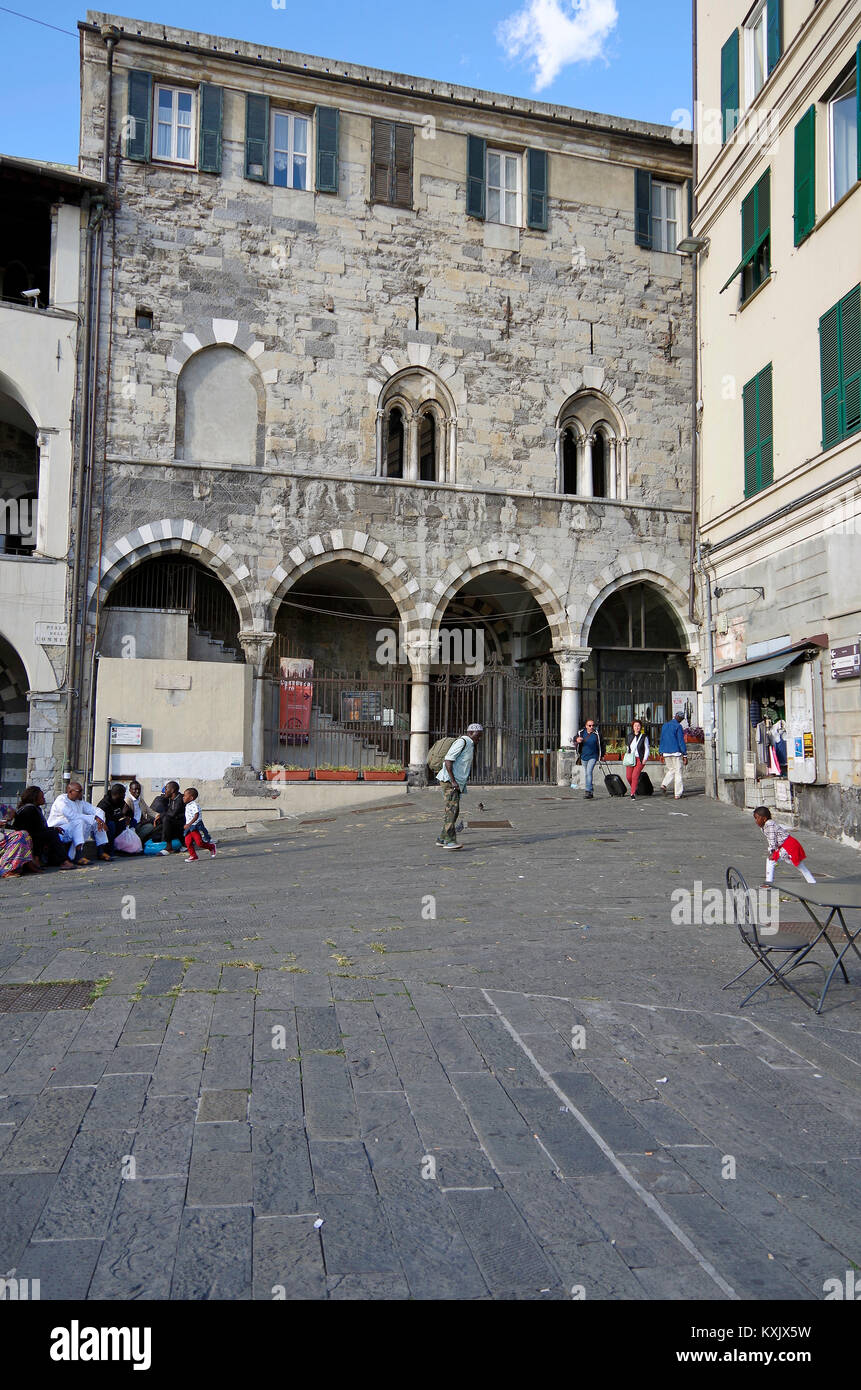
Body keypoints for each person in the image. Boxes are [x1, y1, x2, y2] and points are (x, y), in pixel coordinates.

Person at [435, 723, 483, 850]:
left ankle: (442, 838)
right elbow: (448, 761)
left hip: (456, 782)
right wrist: (453, 781)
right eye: (478, 735)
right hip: (450, 782)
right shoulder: (462, 742)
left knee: (453, 811)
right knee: (452, 811)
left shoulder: (470, 744)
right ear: (470, 733)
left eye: (480, 735)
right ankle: (450, 841)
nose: (479, 738)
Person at [46, 782, 111, 864]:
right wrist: (94, 817)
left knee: (95, 822)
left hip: (75, 827)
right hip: (60, 829)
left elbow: (97, 810)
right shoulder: (61, 801)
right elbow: (72, 816)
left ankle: (101, 851)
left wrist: (100, 820)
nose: (81, 793)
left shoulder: (79, 802)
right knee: (80, 822)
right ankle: (78, 855)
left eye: (82, 791)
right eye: (79, 791)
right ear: (70, 792)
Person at [753, 807, 816, 886]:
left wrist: (772, 852)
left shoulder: (769, 824)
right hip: (789, 844)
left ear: (764, 818)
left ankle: (768, 883)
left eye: (757, 818)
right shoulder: (765, 826)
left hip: (788, 845)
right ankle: (813, 883)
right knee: (799, 865)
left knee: (771, 861)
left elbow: (772, 838)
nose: (756, 821)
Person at [13, 787, 71, 868]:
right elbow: (34, 829)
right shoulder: (29, 810)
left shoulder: (36, 809)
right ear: (35, 798)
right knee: (51, 834)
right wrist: (52, 830)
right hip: (27, 837)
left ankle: (56, 860)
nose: (44, 799)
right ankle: (64, 861)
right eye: (42, 797)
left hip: (34, 834)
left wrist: (53, 828)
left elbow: (39, 828)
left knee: (55, 834)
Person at [181, 787, 217, 862]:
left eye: (185, 795)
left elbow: (196, 815)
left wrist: (189, 824)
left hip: (195, 826)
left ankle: (211, 847)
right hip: (189, 827)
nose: (183, 797)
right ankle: (193, 856)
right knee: (188, 842)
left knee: (199, 842)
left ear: (191, 798)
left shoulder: (194, 804)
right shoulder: (187, 805)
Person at [659, 712, 688, 799]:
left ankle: (664, 784)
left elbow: (662, 739)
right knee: (678, 772)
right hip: (675, 752)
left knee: (671, 769)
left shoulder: (665, 725)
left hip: (666, 752)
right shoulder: (678, 726)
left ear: (674, 716)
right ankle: (678, 793)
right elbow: (680, 741)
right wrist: (685, 754)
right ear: (680, 719)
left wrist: (661, 752)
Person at [573, 718, 604, 799]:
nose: (591, 727)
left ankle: (588, 791)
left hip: (593, 756)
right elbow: (574, 738)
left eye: (593, 725)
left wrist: (602, 755)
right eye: (589, 725)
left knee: (588, 772)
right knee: (586, 773)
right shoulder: (581, 733)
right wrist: (577, 739)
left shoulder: (597, 734)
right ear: (586, 726)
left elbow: (602, 744)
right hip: (583, 756)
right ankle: (590, 790)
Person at [151, 781, 185, 854]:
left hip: (181, 825)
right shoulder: (171, 799)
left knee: (167, 819)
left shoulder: (180, 799)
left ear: (172, 790)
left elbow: (172, 814)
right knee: (156, 832)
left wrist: (161, 816)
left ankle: (169, 847)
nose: (165, 791)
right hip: (175, 824)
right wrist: (159, 817)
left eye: (166, 789)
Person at [97, 783, 131, 849]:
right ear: (117, 794)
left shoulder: (120, 801)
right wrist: (122, 814)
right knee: (111, 824)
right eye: (123, 793)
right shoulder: (104, 804)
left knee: (133, 821)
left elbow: (129, 812)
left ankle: (125, 846)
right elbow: (109, 818)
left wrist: (128, 816)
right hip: (104, 825)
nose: (124, 795)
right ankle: (109, 850)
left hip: (115, 821)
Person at [624, 719, 649, 798]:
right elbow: (628, 748)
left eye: (638, 726)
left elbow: (647, 749)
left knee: (635, 776)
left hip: (640, 759)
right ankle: (634, 788)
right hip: (631, 758)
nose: (637, 727)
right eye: (635, 726)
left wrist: (645, 759)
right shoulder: (629, 736)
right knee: (628, 777)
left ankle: (632, 793)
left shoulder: (644, 737)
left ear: (641, 727)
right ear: (632, 727)